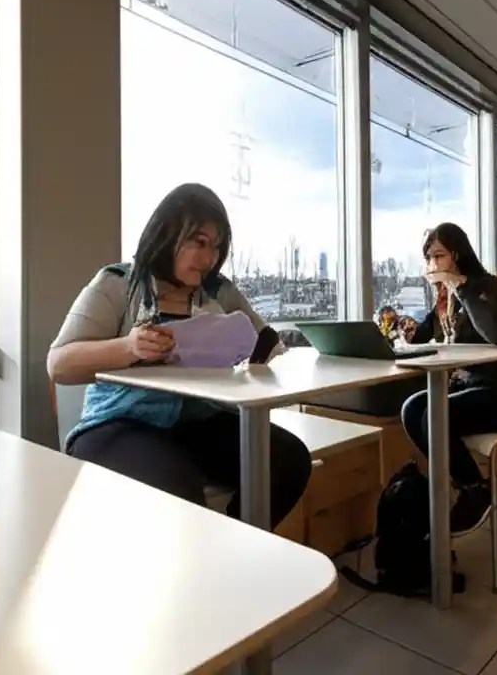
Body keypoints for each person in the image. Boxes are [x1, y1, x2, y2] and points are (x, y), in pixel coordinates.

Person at [47, 183, 311, 529]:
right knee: (178, 492)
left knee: (288, 460)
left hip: (198, 421)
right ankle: (207, 569)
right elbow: (59, 364)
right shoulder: (117, 283)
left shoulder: (220, 291)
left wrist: (257, 356)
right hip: (119, 423)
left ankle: (239, 550)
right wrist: (128, 347)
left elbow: (264, 342)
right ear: (166, 233)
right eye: (199, 242)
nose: (210, 258)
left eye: (216, 247)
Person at [400, 223, 497, 535]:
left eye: (438, 255)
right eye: (428, 258)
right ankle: (461, 482)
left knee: (434, 417)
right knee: (412, 409)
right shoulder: (443, 298)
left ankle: (474, 489)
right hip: (467, 389)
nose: (432, 265)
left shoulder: (486, 287)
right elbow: (426, 336)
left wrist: (461, 287)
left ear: (457, 254)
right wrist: (406, 330)